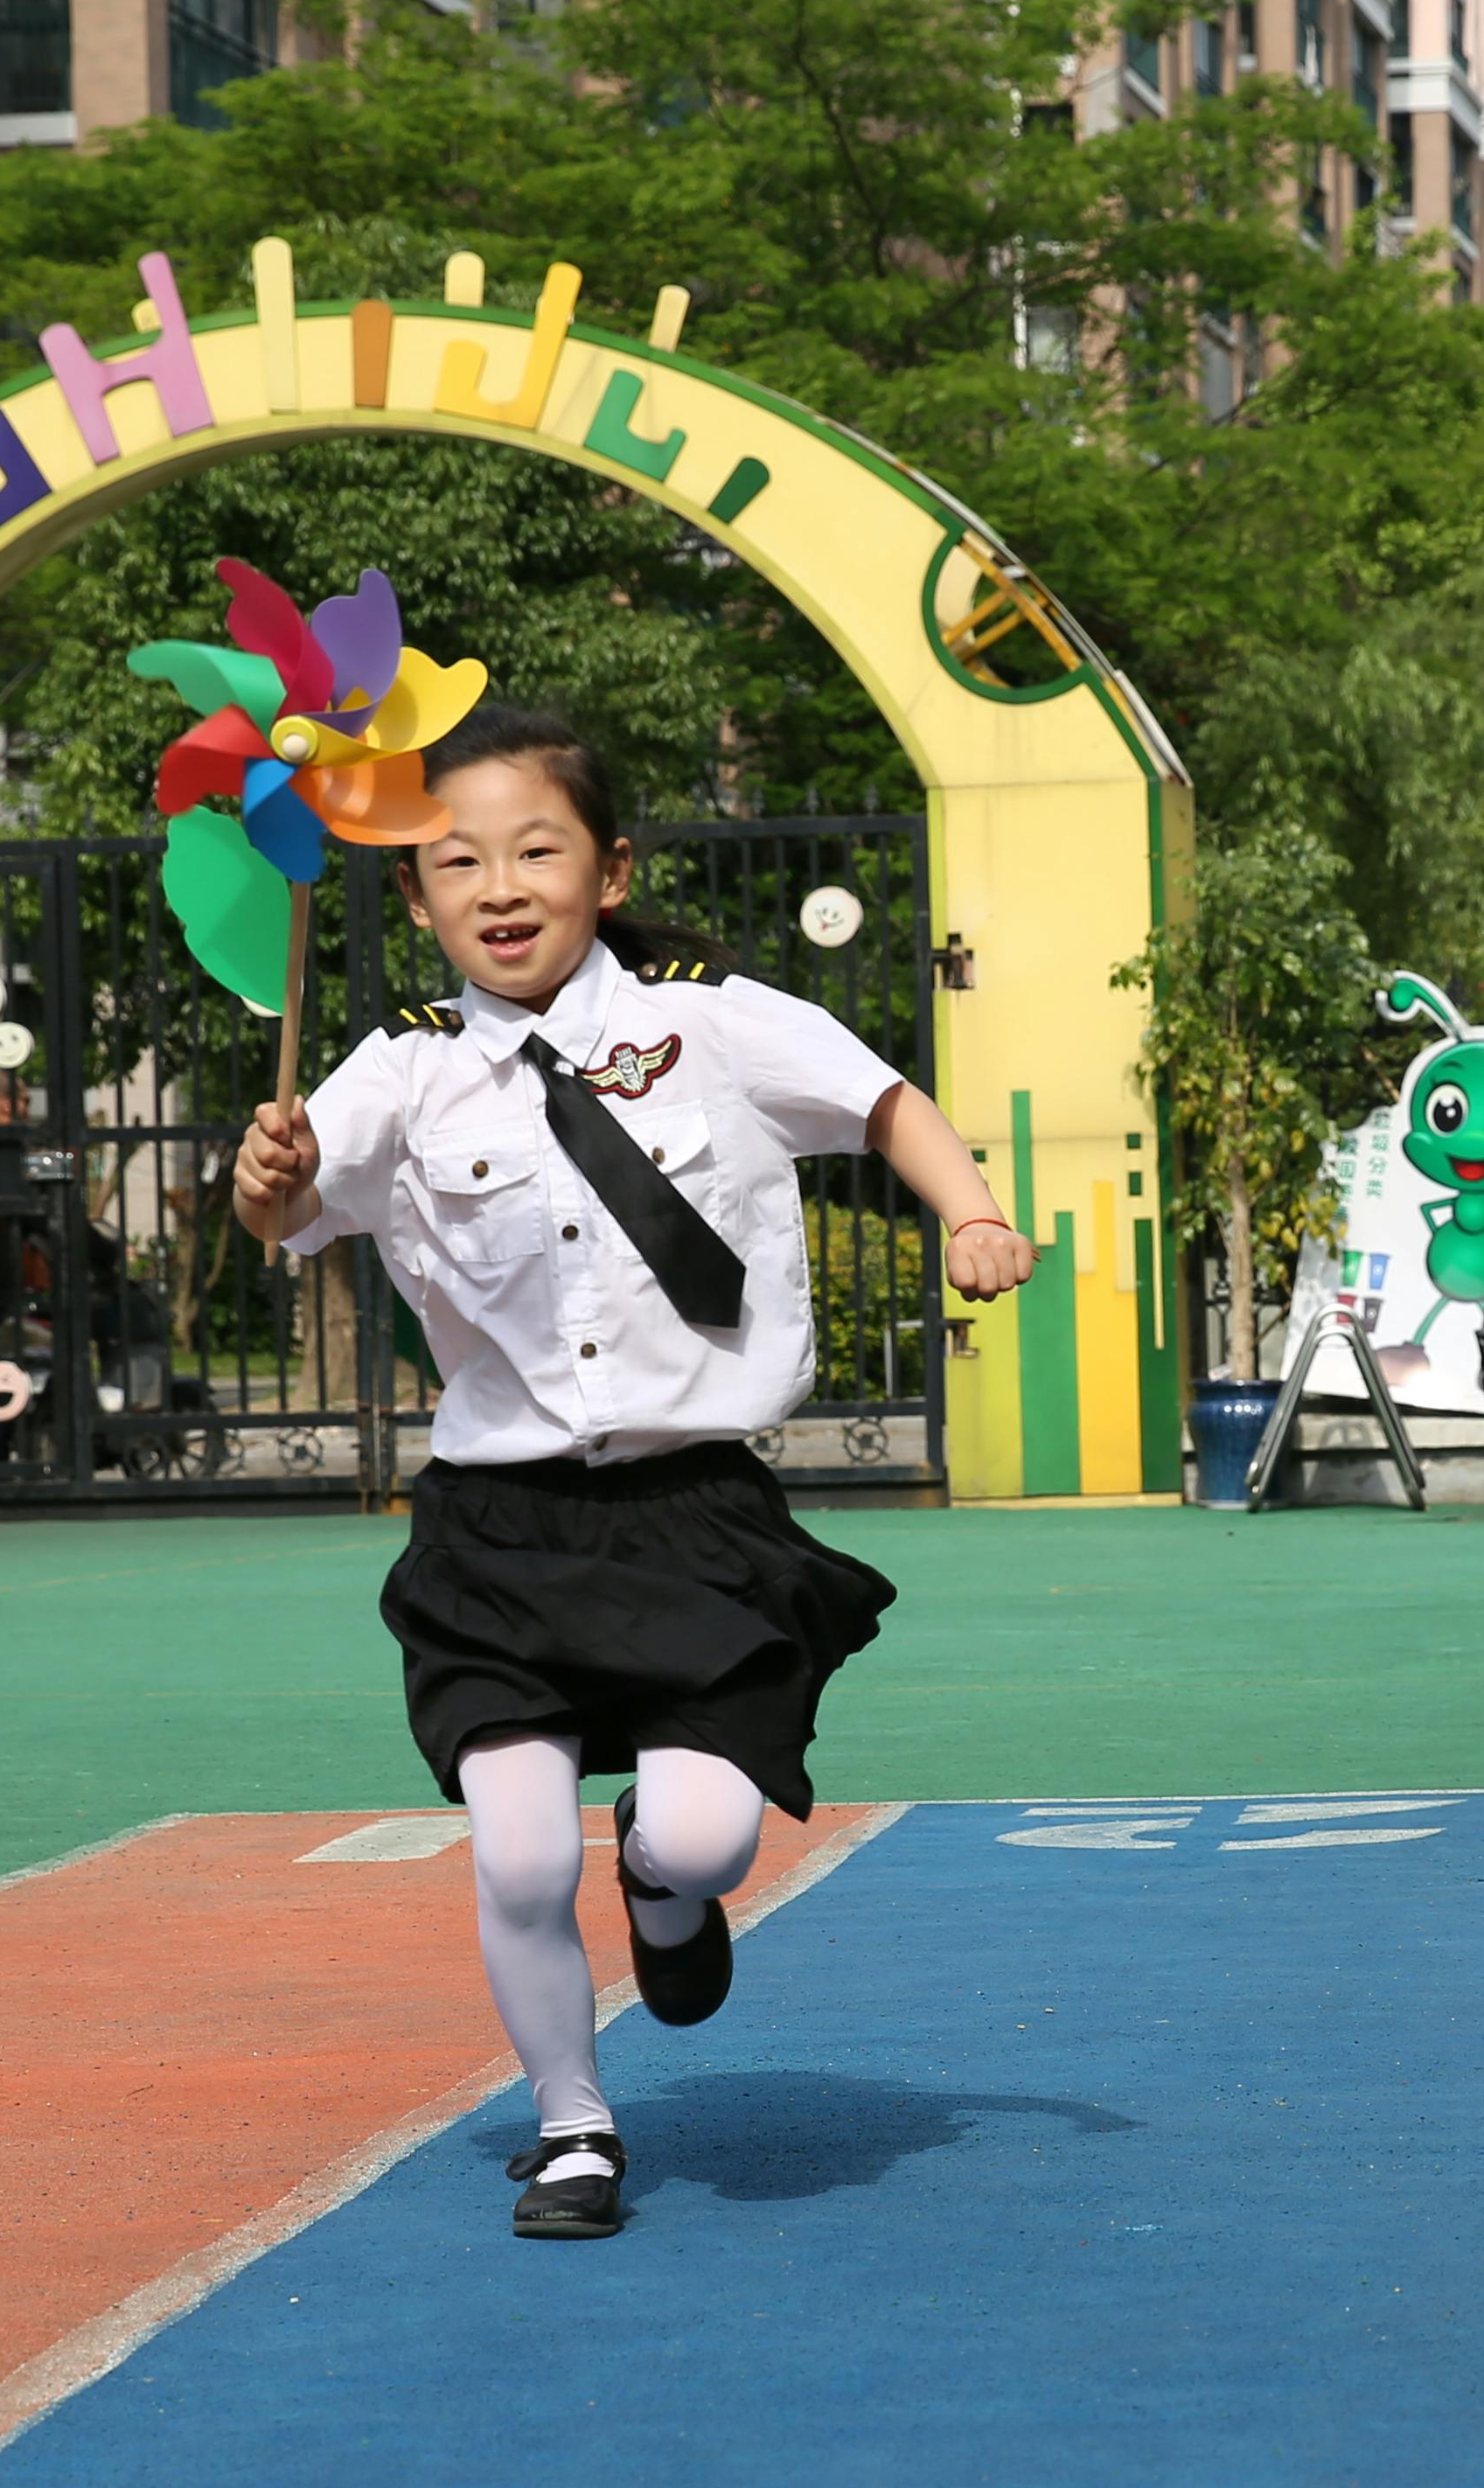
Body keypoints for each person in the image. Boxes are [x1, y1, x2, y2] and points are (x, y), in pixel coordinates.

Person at [227, 707, 1038, 2239]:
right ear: (415, 899)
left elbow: (883, 1103)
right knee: (520, 1853)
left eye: (537, 849)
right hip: (502, 1530)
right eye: (457, 861)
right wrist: (262, 1187)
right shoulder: (398, 1077)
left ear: (607, 871)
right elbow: (281, 1213)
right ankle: (574, 2125)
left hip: (691, 1518)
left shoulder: (712, 1024)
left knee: (707, 1832)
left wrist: (973, 1212)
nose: (500, 884)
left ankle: (665, 1894)